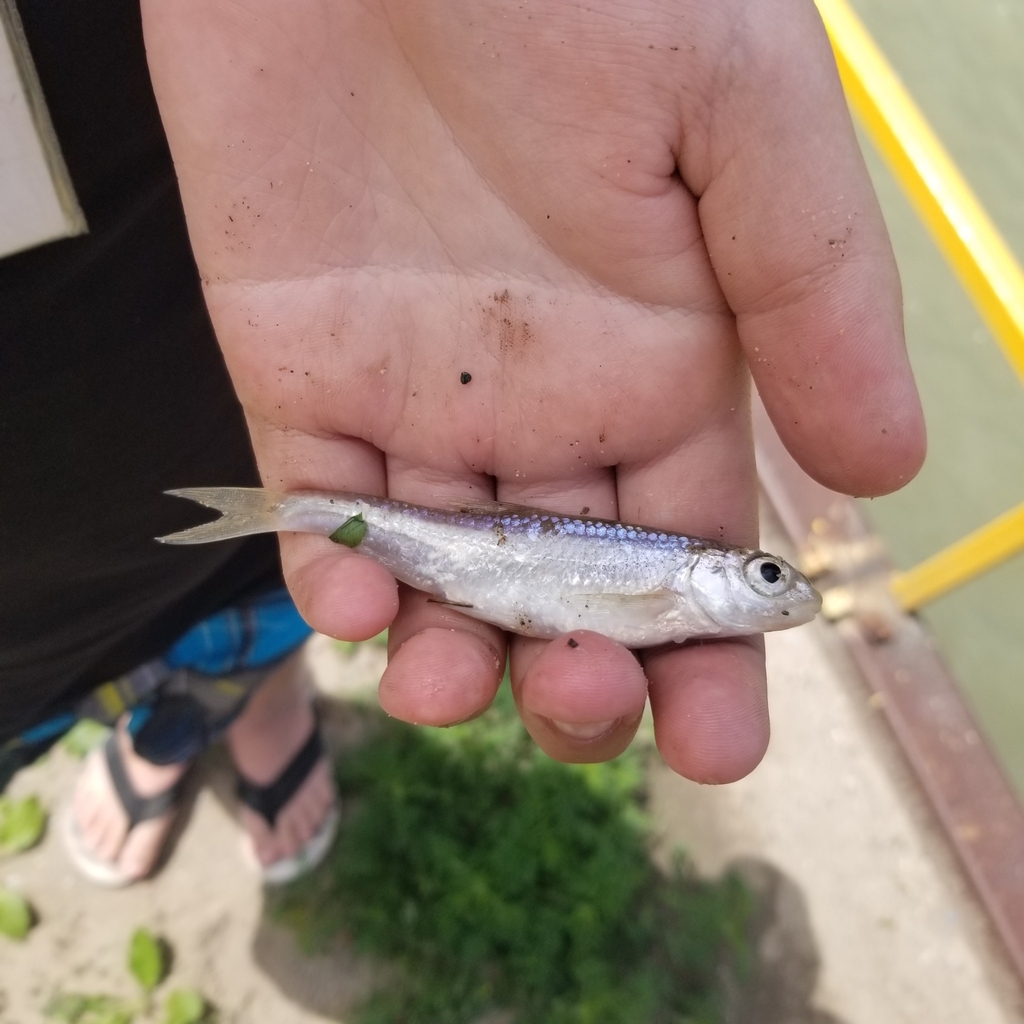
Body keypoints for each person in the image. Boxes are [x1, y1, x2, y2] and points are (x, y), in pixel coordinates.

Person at [2, 0, 924, 884]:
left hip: (263, 213)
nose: (778, 587)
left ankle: (245, 696)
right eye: (765, 578)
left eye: (769, 579)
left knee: (289, 552)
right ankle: (214, 702)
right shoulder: (672, 578)